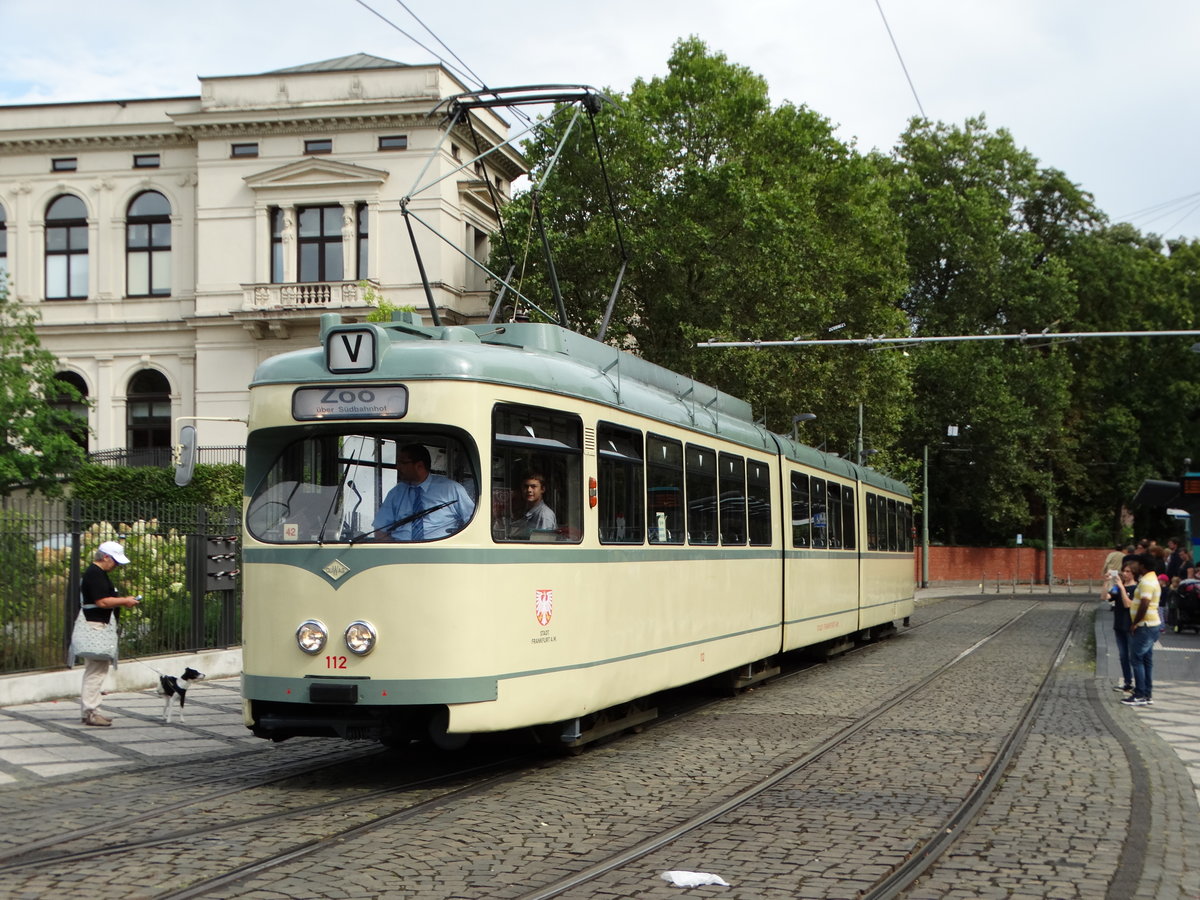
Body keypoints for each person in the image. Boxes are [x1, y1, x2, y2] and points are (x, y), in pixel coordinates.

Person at [78, 541, 141, 727]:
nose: (116, 566)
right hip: (96, 626)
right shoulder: (95, 575)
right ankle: (91, 711)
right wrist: (125, 601)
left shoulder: (97, 573)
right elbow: (102, 602)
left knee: (95, 670)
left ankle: (90, 710)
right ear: (105, 557)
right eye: (115, 561)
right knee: (96, 671)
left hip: (98, 624)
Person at [372, 443, 475, 540]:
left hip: (441, 553)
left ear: (419, 466)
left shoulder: (450, 489)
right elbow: (380, 531)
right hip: (402, 552)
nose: (397, 467)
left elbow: (473, 522)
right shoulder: (396, 493)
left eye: (402, 463)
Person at [1121, 554, 1162, 708]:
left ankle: (1140, 694)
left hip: (1145, 626)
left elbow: (1144, 603)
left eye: (1138, 564)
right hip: (1151, 625)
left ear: (1143, 566)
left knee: (1137, 659)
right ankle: (1147, 693)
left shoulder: (1146, 582)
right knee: (1146, 660)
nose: (1135, 566)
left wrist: (1135, 623)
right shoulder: (1152, 579)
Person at [1107, 564, 1136, 694]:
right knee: (1123, 656)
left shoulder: (1136, 588)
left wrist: (1122, 588)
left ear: (1133, 573)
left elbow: (1127, 604)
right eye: (1123, 571)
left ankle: (1138, 684)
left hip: (1130, 626)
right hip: (1119, 625)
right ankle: (1127, 682)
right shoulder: (1118, 587)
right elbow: (1105, 597)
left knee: (1133, 656)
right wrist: (1106, 582)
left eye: (1128, 571)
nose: (1125, 574)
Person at [510, 472, 557, 539]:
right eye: (526, 486)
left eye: (533, 486)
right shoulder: (525, 511)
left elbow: (543, 545)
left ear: (542, 489)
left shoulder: (544, 515)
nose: (529, 490)